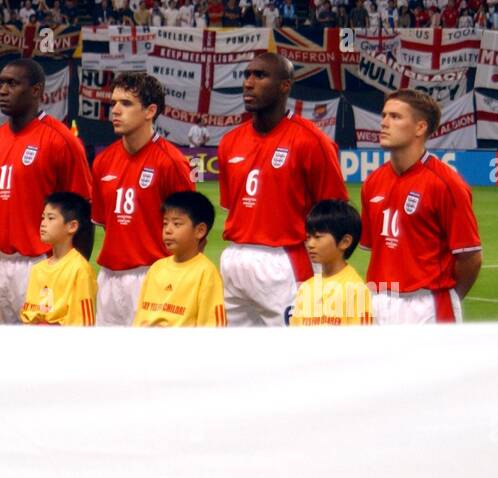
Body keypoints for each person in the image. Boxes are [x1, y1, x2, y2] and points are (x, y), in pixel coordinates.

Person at [216, 52, 347, 327]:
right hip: (235, 257)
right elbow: (232, 206)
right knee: (234, 356)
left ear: (285, 86)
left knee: (295, 356)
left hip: (286, 260)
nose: (249, 83)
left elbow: (336, 214)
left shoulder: (313, 141)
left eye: (260, 75)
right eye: (247, 75)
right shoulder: (229, 142)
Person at [0, 58, 92, 324]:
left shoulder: (61, 140)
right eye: (2, 83)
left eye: (13, 84)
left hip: (40, 264)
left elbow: (82, 212)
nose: (3, 90)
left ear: (36, 91)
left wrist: (70, 270)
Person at [361, 90, 481, 324]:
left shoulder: (447, 184)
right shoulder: (373, 182)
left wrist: (449, 298)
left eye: (395, 117)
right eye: (384, 115)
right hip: (379, 300)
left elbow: (470, 258)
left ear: (420, 128)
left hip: (428, 305)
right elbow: (380, 248)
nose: (384, 123)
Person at [91, 72, 195, 326]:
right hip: (109, 279)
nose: (115, 110)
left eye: (125, 104)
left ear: (150, 111)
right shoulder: (103, 161)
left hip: (153, 277)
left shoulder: (172, 162)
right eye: (113, 103)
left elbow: (189, 232)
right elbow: (106, 223)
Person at [133, 191, 226, 327]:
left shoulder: (206, 273)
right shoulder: (156, 268)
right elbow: (140, 318)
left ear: (200, 231)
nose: (168, 230)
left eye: (177, 224)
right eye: (165, 223)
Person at [20, 191, 98, 326]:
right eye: (43, 217)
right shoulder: (38, 269)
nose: (43, 223)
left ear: (72, 226)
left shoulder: (80, 270)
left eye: (50, 218)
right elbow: (28, 315)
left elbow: (83, 324)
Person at [291, 199, 371, 325]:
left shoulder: (356, 290)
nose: (310, 244)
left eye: (317, 237)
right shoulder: (305, 288)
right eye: (308, 237)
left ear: (345, 242)